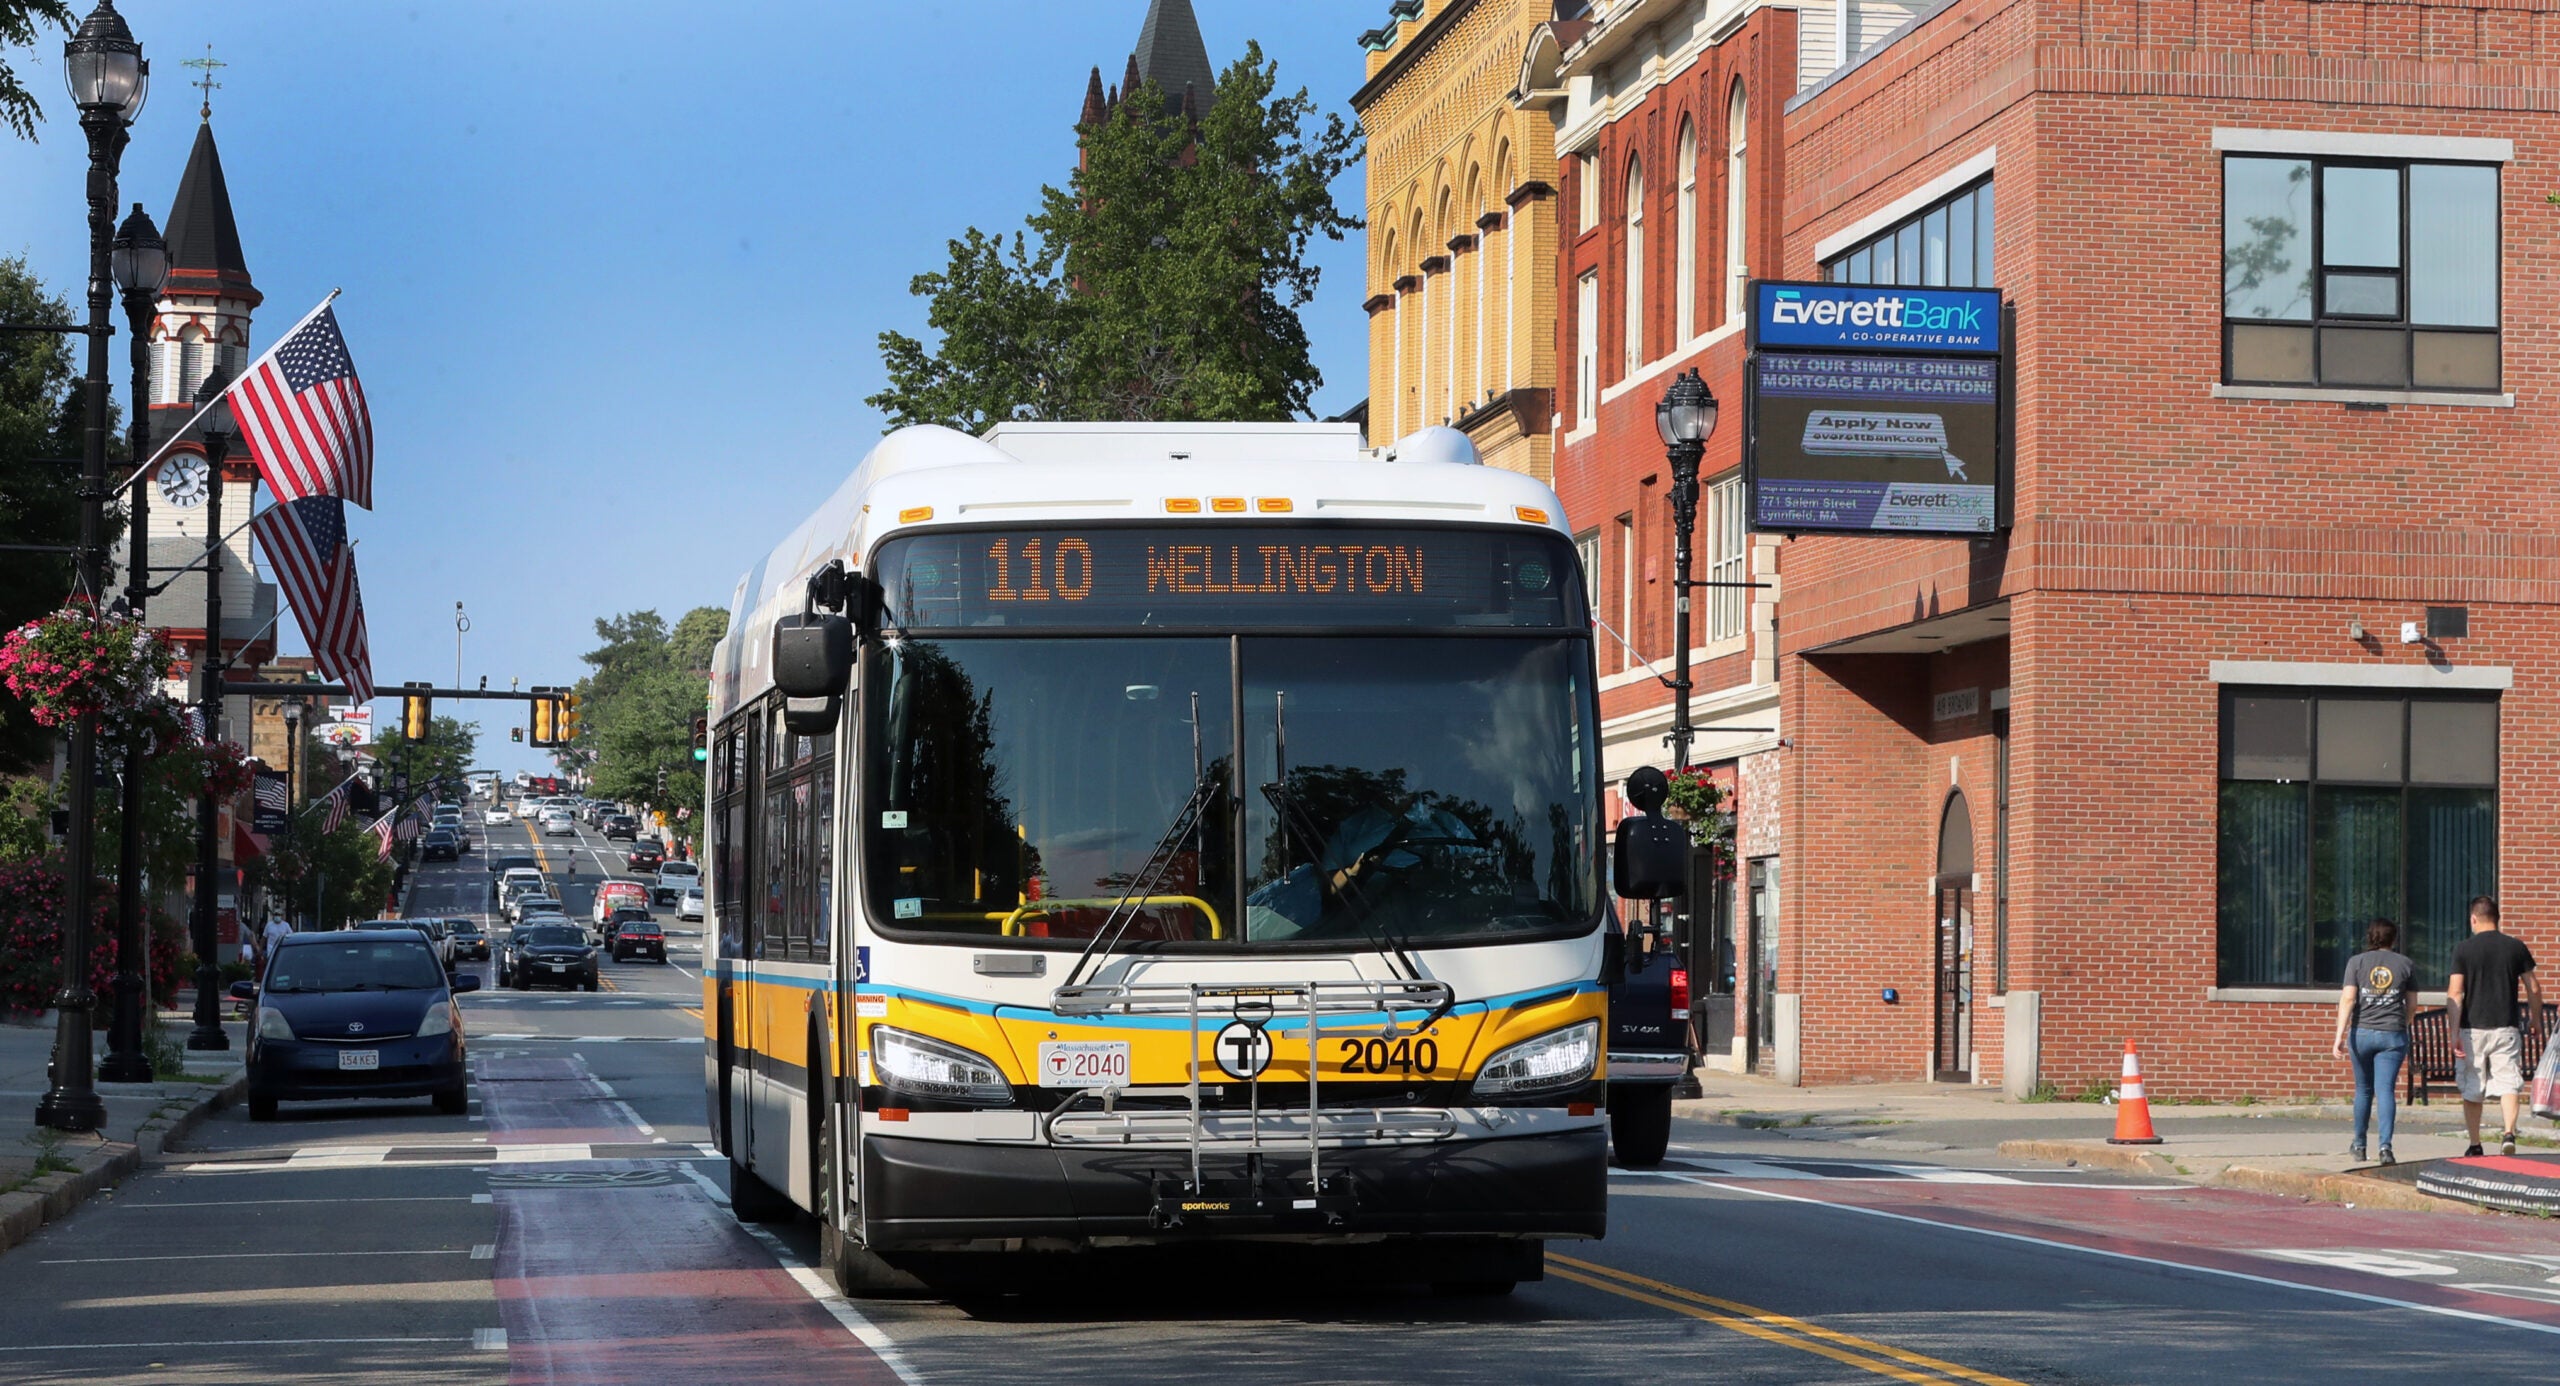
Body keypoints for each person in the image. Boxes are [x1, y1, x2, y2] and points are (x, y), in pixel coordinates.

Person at [2447, 895, 2543, 1158]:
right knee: (2509, 1082)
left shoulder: (2463, 949)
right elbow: (2533, 987)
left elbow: (2455, 993)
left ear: (2473, 919)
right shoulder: (2515, 947)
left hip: (2472, 1029)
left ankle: (2475, 1144)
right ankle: (2508, 1133)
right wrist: (2535, 1019)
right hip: (2506, 1027)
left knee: (2472, 1087)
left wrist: (2453, 1033)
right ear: (2497, 918)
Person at [2332, 917, 2414, 1165]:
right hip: (2392, 1034)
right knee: (2386, 1090)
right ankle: (2385, 1148)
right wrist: (2403, 1026)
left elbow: (2348, 1000)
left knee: (2363, 1090)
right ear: (2394, 939)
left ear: (2370, 938)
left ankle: (2359, 1144)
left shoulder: (2356, 963)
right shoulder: (2405, 964)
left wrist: (2339, 1036)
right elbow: (2412, 1004)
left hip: (2362, 1033)